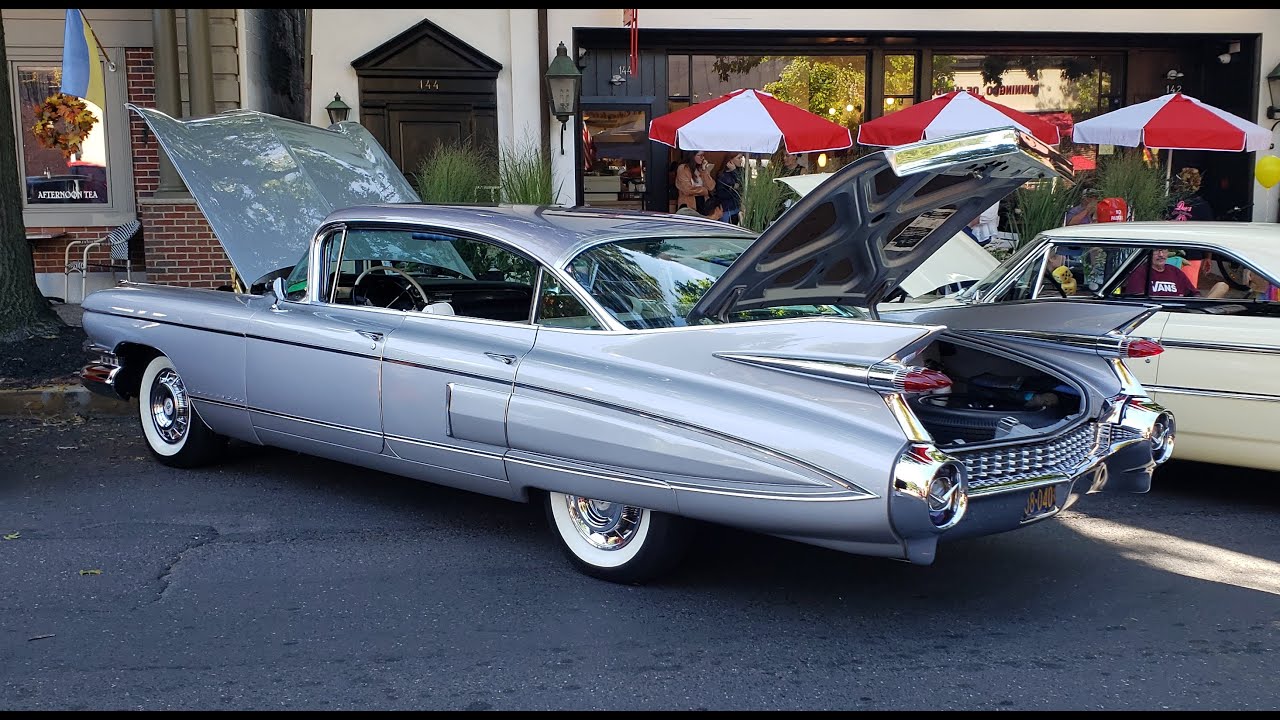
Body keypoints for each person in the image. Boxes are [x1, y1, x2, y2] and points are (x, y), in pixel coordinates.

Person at [1122, 248, 1200, 297]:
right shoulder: (1140, 272)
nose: (1161, 255)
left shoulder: (1175, 271)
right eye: (1156, 251)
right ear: (1149, 253)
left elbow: (1195, 294)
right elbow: (1138, 300)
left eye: (1164, 250)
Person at [674, 150, 715, 215]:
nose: (702, 158)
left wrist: (704, 171)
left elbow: (711, 187)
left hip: (703, 203)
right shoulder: (683, 168)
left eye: (703, 155)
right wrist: (704, 191)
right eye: (699, 155)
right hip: (689, 204)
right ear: (692, 156)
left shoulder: (700, 169)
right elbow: (687, 190)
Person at [715, 154, 744, 225]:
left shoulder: (739, 172)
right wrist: (733, 189)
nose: (741, 160)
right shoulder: (723, 176)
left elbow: (742, 184)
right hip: (727, 209)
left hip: (738, 207)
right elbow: (721, 194)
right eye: (739, 158)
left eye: (742, 157)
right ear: (730, 160)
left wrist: (734, 171)